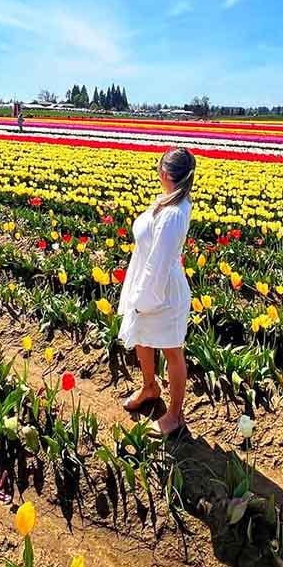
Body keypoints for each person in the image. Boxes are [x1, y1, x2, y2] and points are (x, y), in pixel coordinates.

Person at [118, 147, 196, 436]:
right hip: (149, 281)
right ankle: (149, 387)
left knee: (172, 350)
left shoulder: (174, 213)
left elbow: (159, 263)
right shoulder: (169, 201)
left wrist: (144, 298)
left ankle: (175, 415)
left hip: (162, 290)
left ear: (165, 174)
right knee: (142, 337)